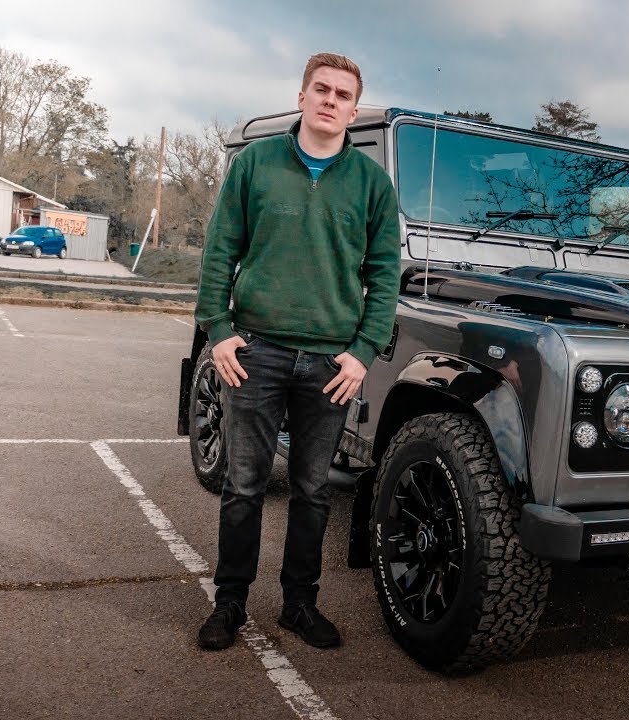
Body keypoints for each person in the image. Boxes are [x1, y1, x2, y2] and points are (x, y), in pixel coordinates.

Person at [193, 52, 400, 651]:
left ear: (354, 111)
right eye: (322, 89)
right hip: (255, 353)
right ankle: (229, 603)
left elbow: (386, 275)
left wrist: (363, 351)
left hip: (330, 365)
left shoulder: (371, 184)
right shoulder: (256, 165)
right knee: (244, 487)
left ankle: (299, 605)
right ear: (303, 96)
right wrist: (219, 330)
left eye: (342, 94)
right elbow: (219, 251)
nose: (331, 100)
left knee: (312, 492)